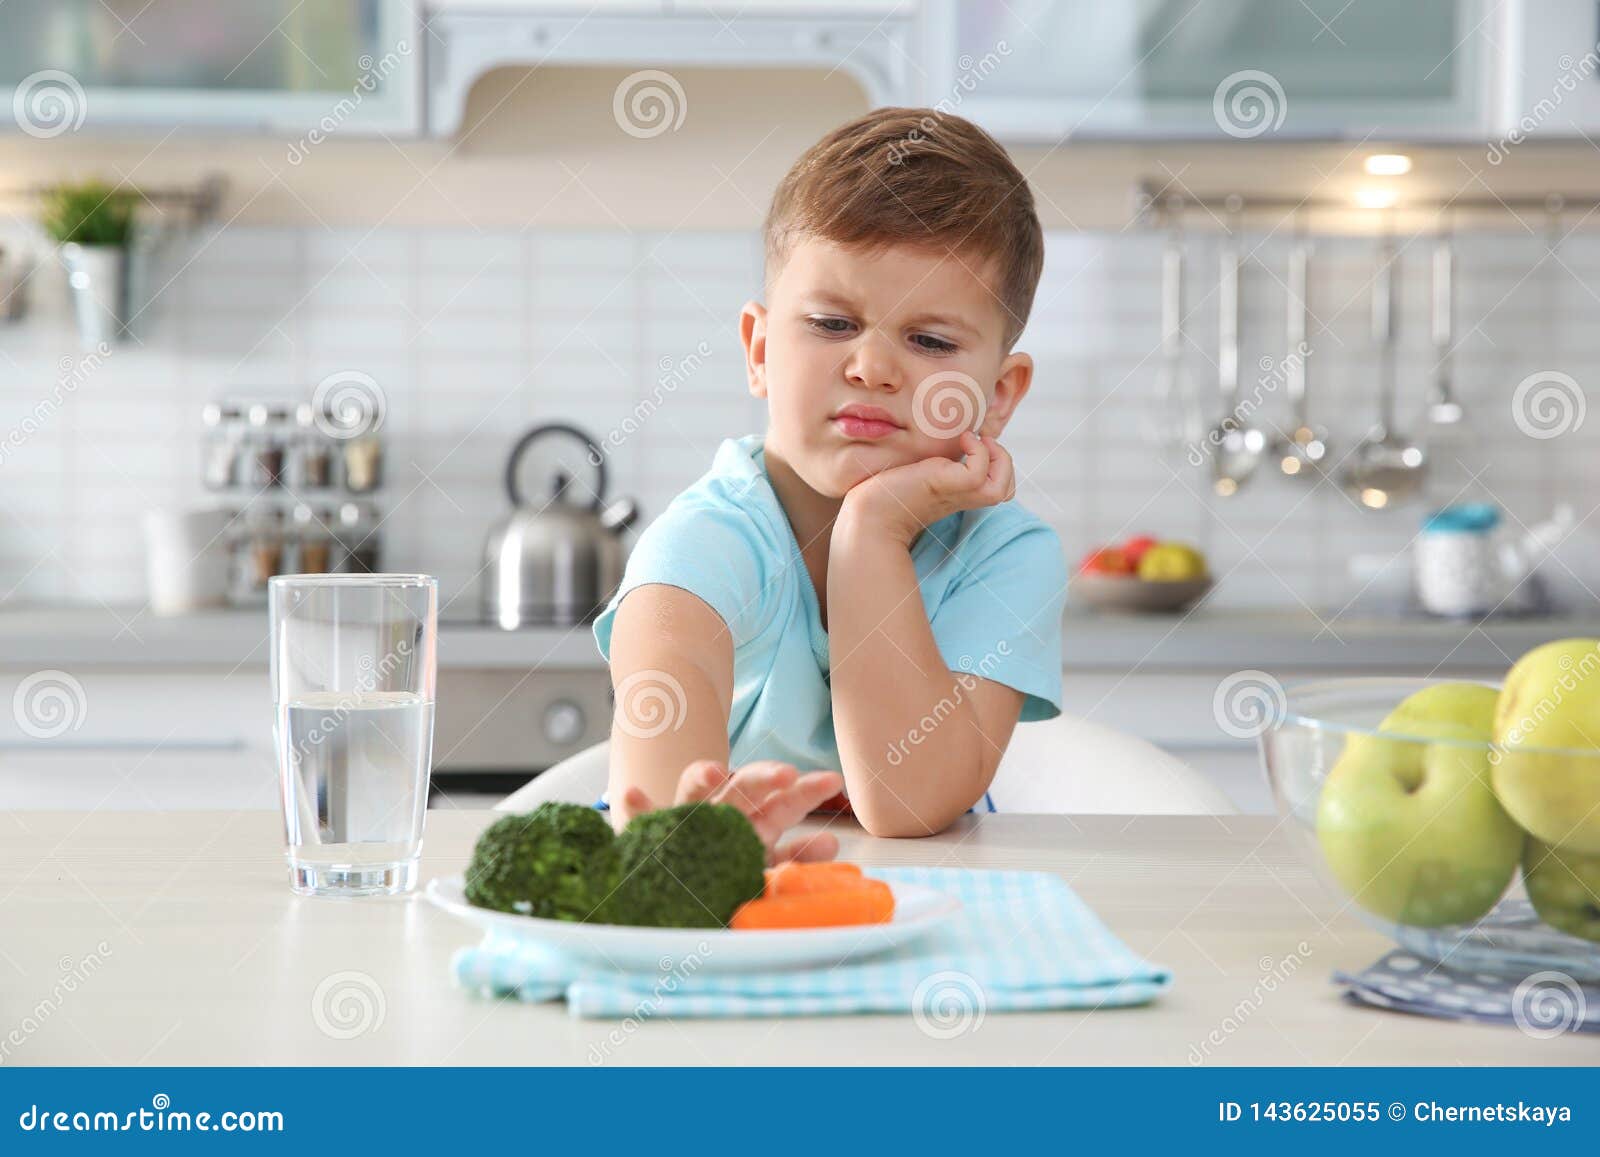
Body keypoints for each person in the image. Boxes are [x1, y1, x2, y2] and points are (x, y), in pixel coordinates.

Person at [594, 106, 1066, 841]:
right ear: (757, 349)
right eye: (832, 324)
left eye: (930, 339)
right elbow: (662, 826)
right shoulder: (701, 545)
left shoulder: (1007, 555)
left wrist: (871, 535)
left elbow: (907, 803)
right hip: (716, 921)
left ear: (998, 395)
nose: (871, 366)